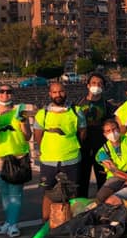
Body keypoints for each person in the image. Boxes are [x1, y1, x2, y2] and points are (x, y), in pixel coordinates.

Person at [33, 81, 87, 224]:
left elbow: (82, 131)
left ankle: (72, 223)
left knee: (73, 193)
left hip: (71, 158)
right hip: (49, 159)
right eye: (55, 92)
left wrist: (73, 145)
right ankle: (45, 224)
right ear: (50, 94)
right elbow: (38, 135)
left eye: (61, 91)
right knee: (48, 192)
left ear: (65, 92)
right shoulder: (42, 113)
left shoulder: (76, 111)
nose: (58, 95)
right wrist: (46, 147)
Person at [0, 84, 31, 238]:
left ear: (12, 95)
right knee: (5, 193)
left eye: (8, 91)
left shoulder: (20, 111)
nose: (5, 94)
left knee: (15, 193)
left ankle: (13, 224)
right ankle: (8, 221)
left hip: (17, 157)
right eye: (2, 91)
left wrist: (23, 121)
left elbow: (27, 136)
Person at [76, 72, 112, 196]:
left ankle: (102, 206)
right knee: (82, 179)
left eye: (100, 84)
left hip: (101, 146)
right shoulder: (78, 104)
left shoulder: (108, 106)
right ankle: (81, 208)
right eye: (94, 83)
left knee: (102, 179)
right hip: (83, 146)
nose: (97, 86)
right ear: (88, 85)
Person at [93, 118, 127, 203]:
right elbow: (114, 171)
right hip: (116, 177)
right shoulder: (103, 151)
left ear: (119, 129)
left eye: (114, 129)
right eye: (108, 131)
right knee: (101, 197)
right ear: (104, 134)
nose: (112, 133)